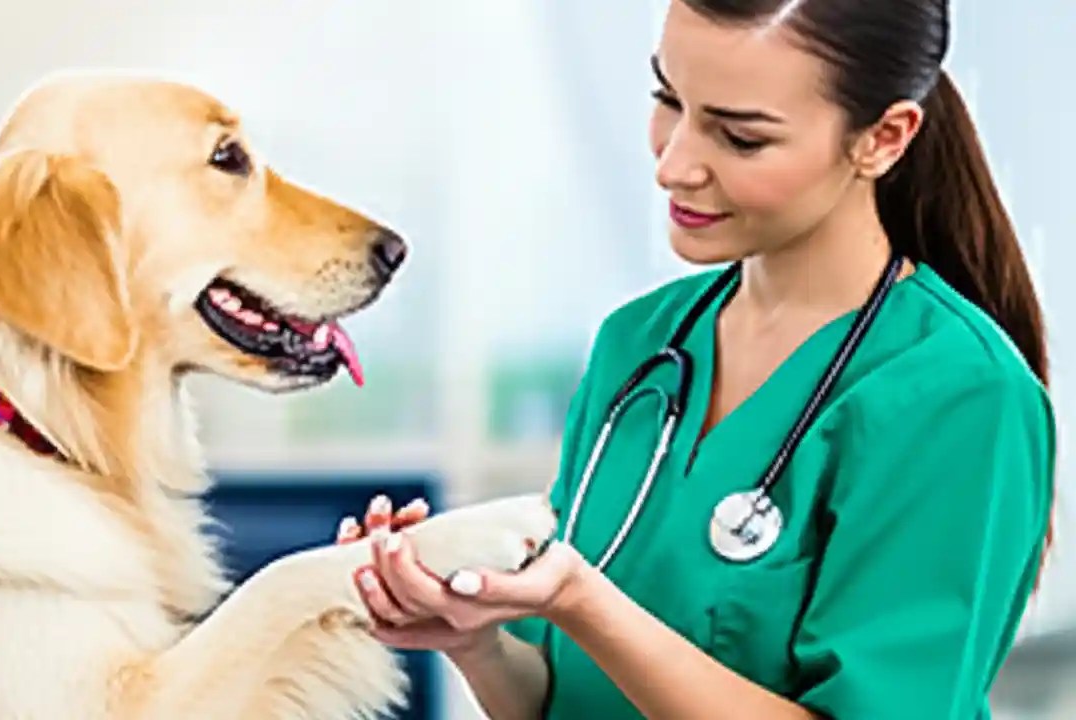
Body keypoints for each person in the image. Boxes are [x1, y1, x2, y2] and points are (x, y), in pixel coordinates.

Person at [335, 0, 1056, 717]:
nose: (674, 165)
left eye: (739, 138)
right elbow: (560, 699)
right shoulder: (641, 346)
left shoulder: (958, 395)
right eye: (667, 99)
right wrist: (474, 634)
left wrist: (582, 602)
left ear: (884, 138)